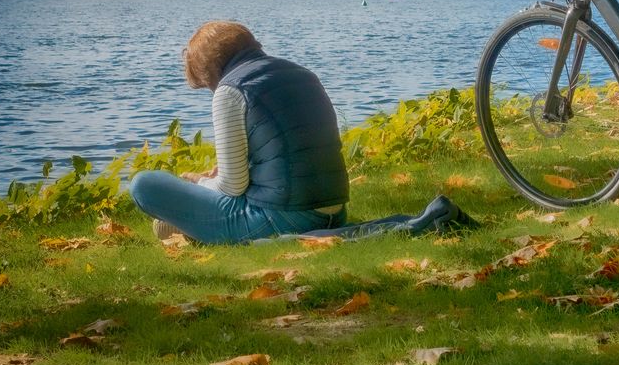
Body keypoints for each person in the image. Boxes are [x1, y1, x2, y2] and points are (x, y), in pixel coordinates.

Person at [131, 21, 475, 244]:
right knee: (179, 211)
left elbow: (232, 187)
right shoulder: (301, 73)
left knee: (144, 184)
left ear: (209, 72)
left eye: (205, 84)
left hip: (282, 217)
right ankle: (184, 229)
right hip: (333, 209)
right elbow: (290, 151)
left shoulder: (230, 91)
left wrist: (198, 183)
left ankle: (184, 228)